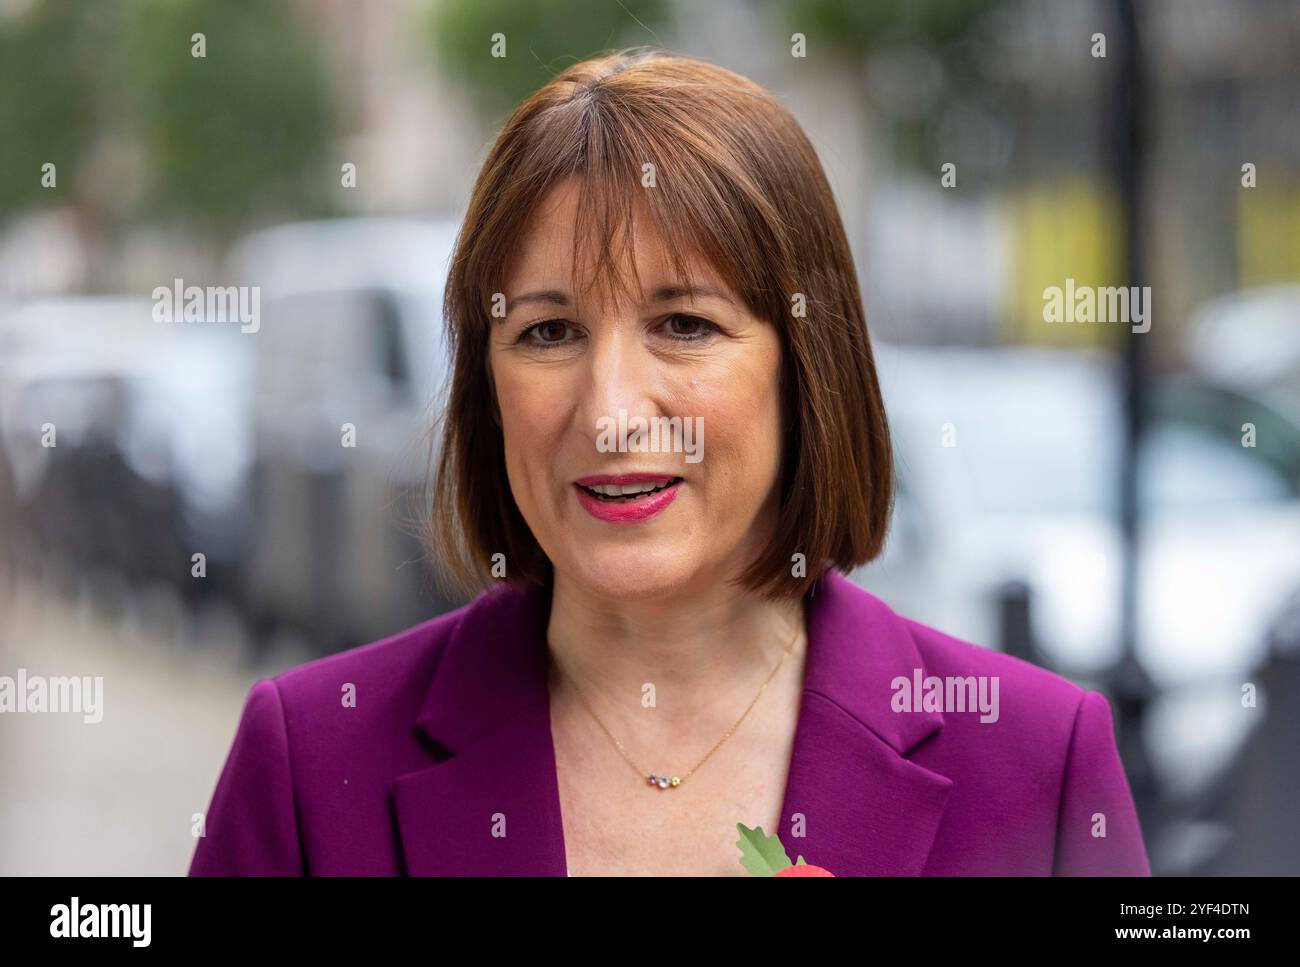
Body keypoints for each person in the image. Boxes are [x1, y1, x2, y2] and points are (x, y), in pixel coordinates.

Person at [189, 48, 1150, 876]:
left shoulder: (1034, 764)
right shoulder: (312, 765)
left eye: (684, 325)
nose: (609, 414)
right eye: (549, 330)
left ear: (805, 365)